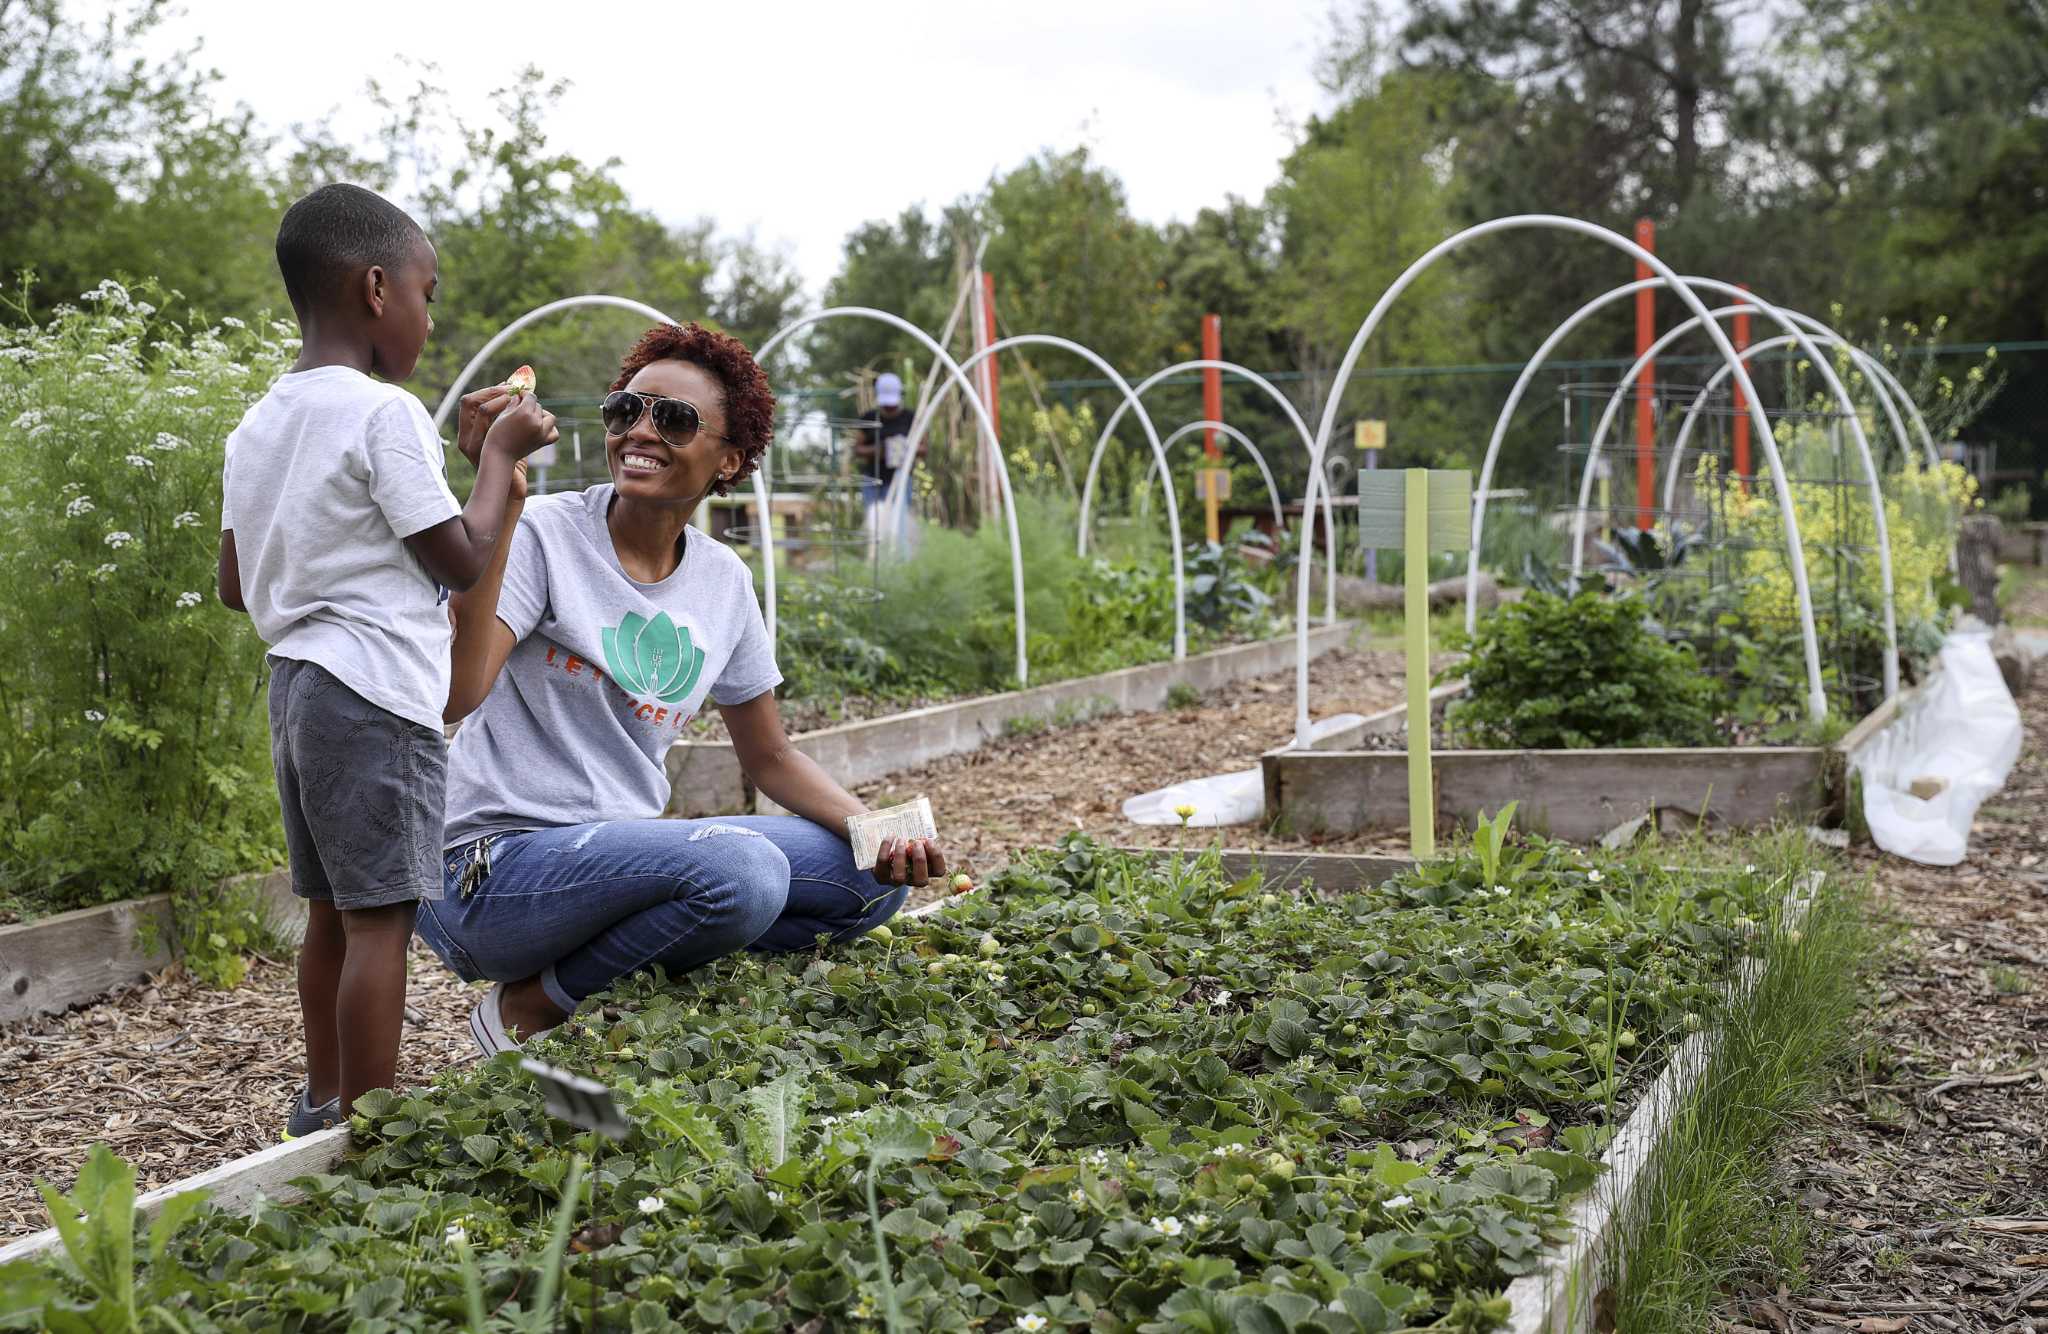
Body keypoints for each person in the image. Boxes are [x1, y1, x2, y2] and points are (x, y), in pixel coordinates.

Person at [423, 322, 946, 1053]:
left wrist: (878, 829)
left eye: (673, 418)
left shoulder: (722, 580)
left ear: (729, 459)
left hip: (621, 855)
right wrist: (501, 505)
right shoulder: (543, 532)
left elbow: (769, 758)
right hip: (494, 869)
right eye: (624, 410)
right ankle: (533, 1006)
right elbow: (455, 694)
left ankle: (631, 980)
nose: (641, 430)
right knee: (745, 872)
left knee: (870, 879)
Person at [217, 183, 558, 1137]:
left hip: (296, 688)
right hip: (373, 695)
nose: (428, 312)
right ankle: (373, 1128)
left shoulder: (258, 424)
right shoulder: (384, 413)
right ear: (376, 288)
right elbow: (457, 556)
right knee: (382, 921)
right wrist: (497, 458)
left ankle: (321, 1101)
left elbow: (237, 585)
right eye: (428, 290)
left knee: (330, 910)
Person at [850, 371, 918, 539]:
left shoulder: (910, 418)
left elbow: (923, 448)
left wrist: (903, 448)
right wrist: (879, 450)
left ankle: (900, 559)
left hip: (901, 478)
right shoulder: (869, 418)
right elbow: (857, 449)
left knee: (899, 523)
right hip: (872, 479)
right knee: (876, 525)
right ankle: (876, 558)